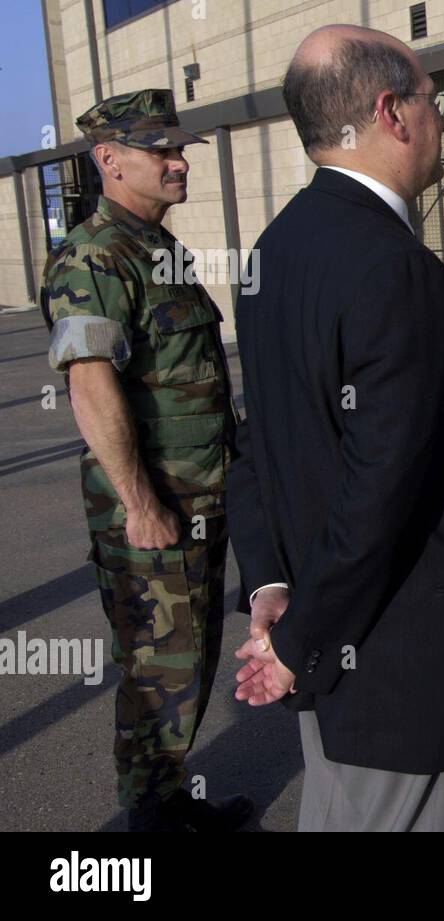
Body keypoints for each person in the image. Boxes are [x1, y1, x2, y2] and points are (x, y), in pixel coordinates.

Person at [225, 25, 444, 832]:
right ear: (392, 113)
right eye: (434, 102)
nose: (442, 121)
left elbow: (257, 441)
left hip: (334, 661)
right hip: (413, 676)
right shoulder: (394, 267)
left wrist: (272, 590)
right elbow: (380, 489)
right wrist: (297, 640)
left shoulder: (274, 251)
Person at [40, 89, 252, 832]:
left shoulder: (154, 247)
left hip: (197, 500)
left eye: (177, 147)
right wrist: (140, 503)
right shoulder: (95, 254)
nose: (176, 159)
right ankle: (151, 828)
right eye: (158, 149)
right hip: (156, 510)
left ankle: (169, 805)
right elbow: (91, 385)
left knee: (187, 666)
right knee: (160, 673)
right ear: (109, 158)